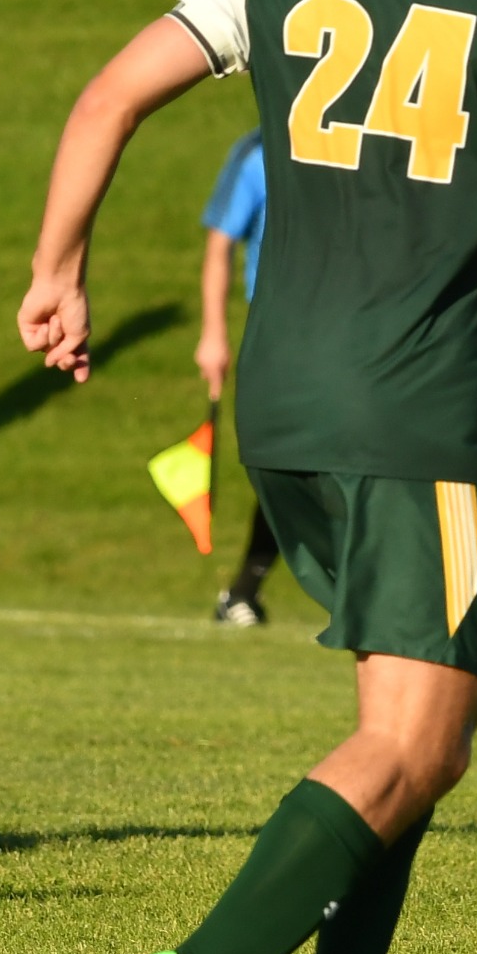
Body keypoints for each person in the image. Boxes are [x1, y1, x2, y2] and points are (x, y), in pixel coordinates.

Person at [16, 0, 477, 954]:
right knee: (417, 736)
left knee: (410, 723)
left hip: (281, 398)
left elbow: (108, 97)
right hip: (416, 410)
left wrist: (57, 268)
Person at [194, 129, 282, 627]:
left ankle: (246, 590)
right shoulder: (257, 153)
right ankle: (243, 591)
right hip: (277, 328)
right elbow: (220, 243)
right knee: (288, 465)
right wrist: (213, 335)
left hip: (354, 322)